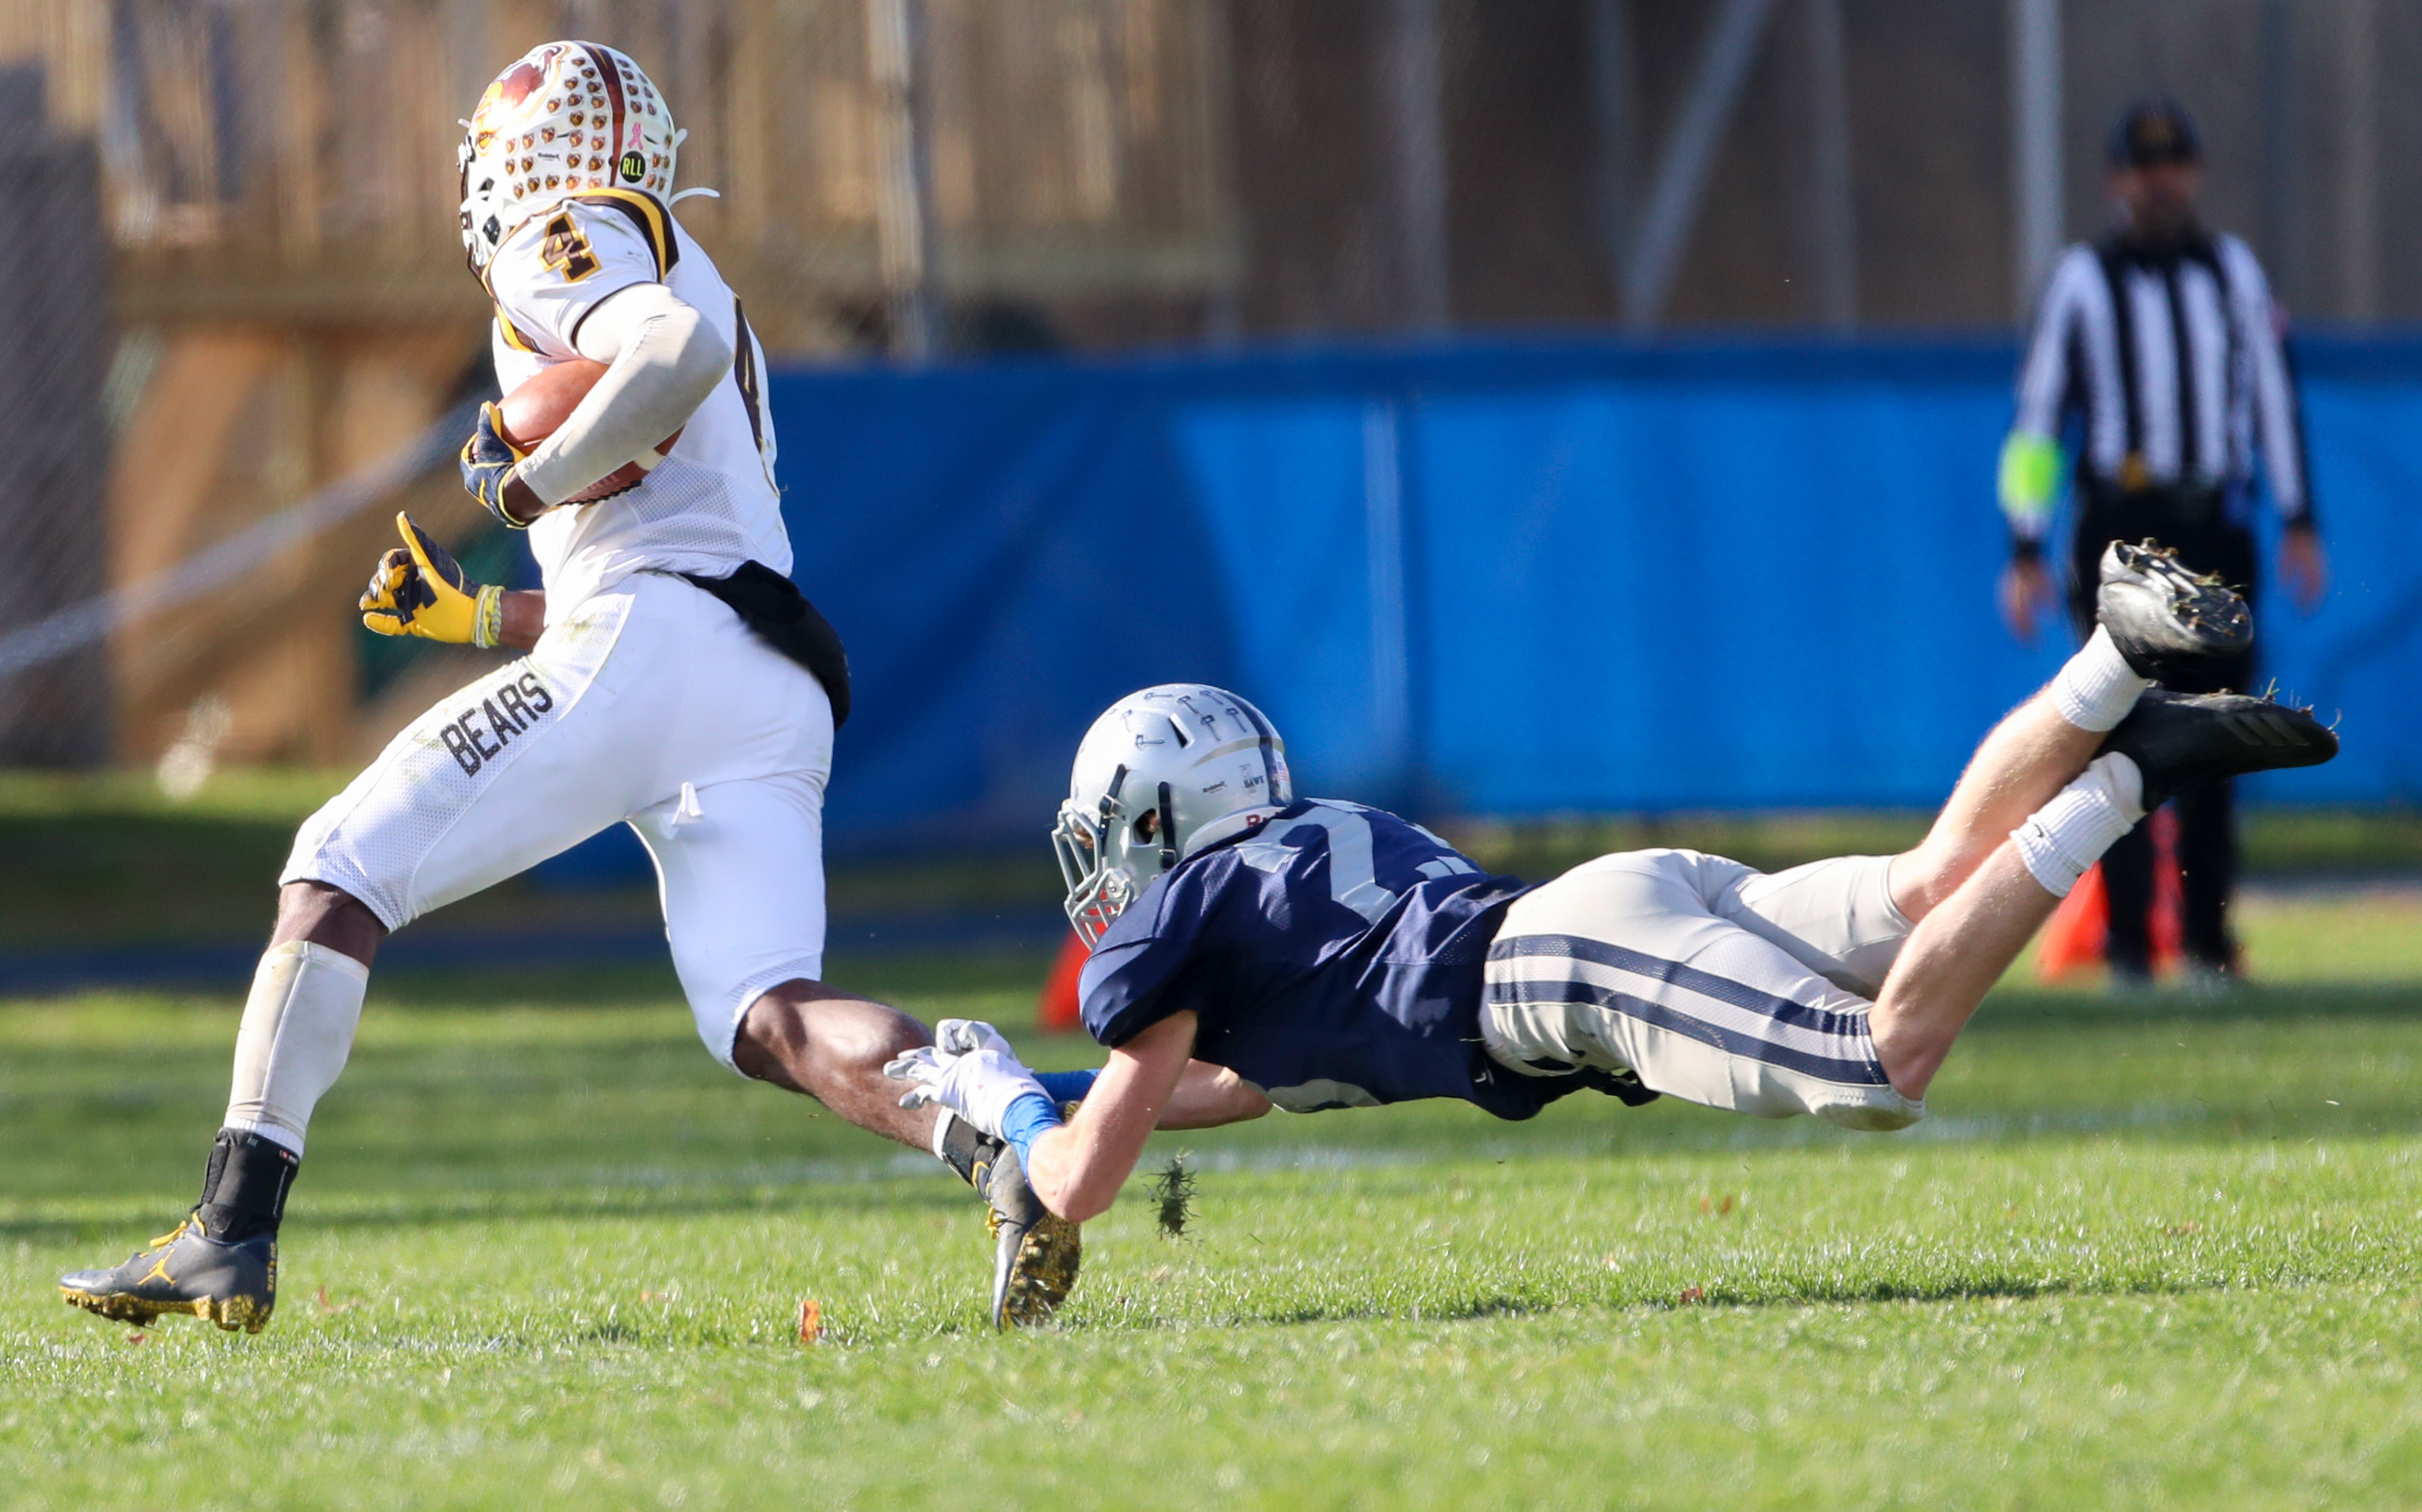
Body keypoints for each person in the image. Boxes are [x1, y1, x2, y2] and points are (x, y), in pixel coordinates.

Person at [59, 43, 1088, 1333]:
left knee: (335, 865)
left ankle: (230, 1226)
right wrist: (483, 611)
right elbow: (670, 546)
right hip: (754, 676)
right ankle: (1003, 1139)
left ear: (524, 160)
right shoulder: (679, 249)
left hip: (660, 650)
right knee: (771, 1012)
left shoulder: (570, 234)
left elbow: (670, 354)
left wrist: (526, 487)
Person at [885, 546, 2335, 1252]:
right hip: (1608, 908)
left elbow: (1074, 1191)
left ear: (1160, 814)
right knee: (1920, 887)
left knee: (1879, 1067)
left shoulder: (1188, 913)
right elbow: (1230, 1090)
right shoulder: (1305, 863)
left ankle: (2127, 776)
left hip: (1571, 970)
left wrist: (1002, 1117)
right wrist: (1050, 1087)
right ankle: (2108, 663)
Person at [1997, 96, 2326, 986]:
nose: (2161, 182)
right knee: (2117, 735)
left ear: (2196, 174)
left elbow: (2272, 400)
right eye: (2145, 168)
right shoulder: (2080, 282)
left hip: (2214, 521)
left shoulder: (2232, 273)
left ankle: (2211, 945)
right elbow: (2035, 427)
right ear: (2117, 182)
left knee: (2224, 736)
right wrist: (2024, 543)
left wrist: (2299, 521)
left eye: (2175, 164)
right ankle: (2133, 952)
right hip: (2122, 529)